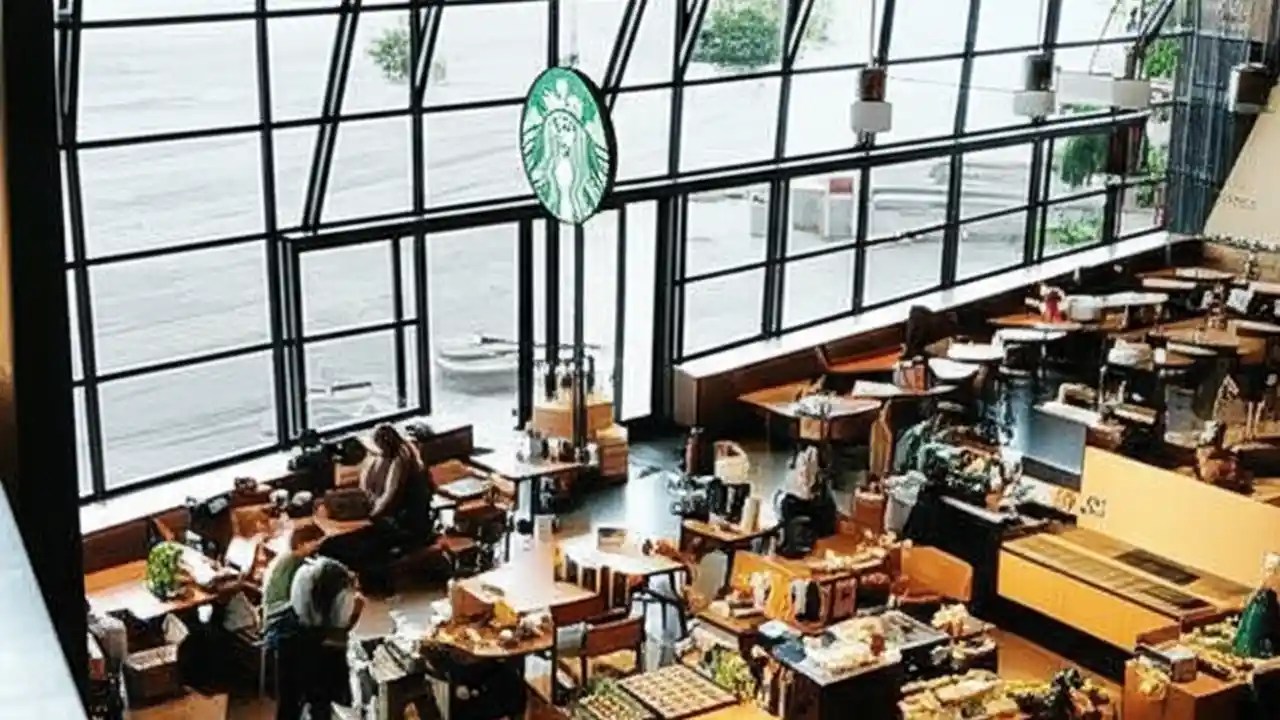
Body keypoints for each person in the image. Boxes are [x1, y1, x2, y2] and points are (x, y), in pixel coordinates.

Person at [262, 531, 363, 720]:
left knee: (289, 702)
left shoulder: (305, 572)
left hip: (288, 637)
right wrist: (355, 613)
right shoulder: (338, 581)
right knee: (322, 700)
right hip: (311, 645)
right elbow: (341, 624)